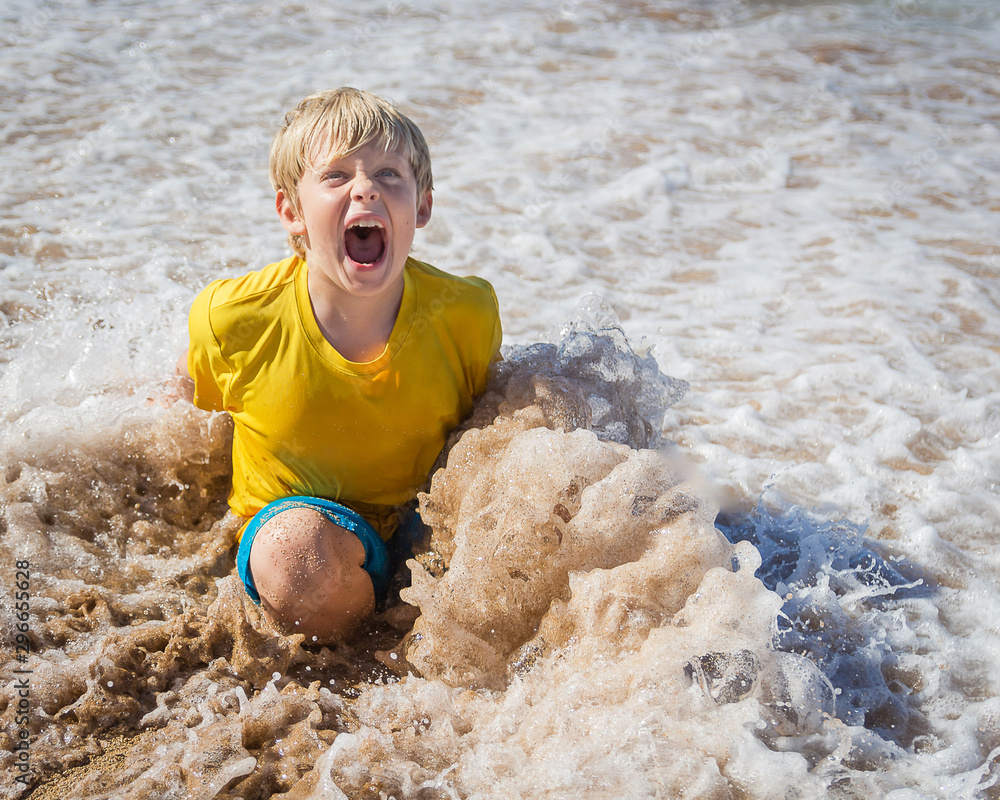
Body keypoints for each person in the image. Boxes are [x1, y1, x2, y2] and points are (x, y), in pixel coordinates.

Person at [175, 87, 502, 643]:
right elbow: (187, 393)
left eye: (389, 174)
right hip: (292, 526)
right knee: (296, 556)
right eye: (335, 176)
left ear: (422, 206)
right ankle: (365, 645)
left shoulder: (466, 313)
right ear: (292, 212)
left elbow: (492, 428)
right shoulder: (235, 320)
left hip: (417, 525)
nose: (366, 187)